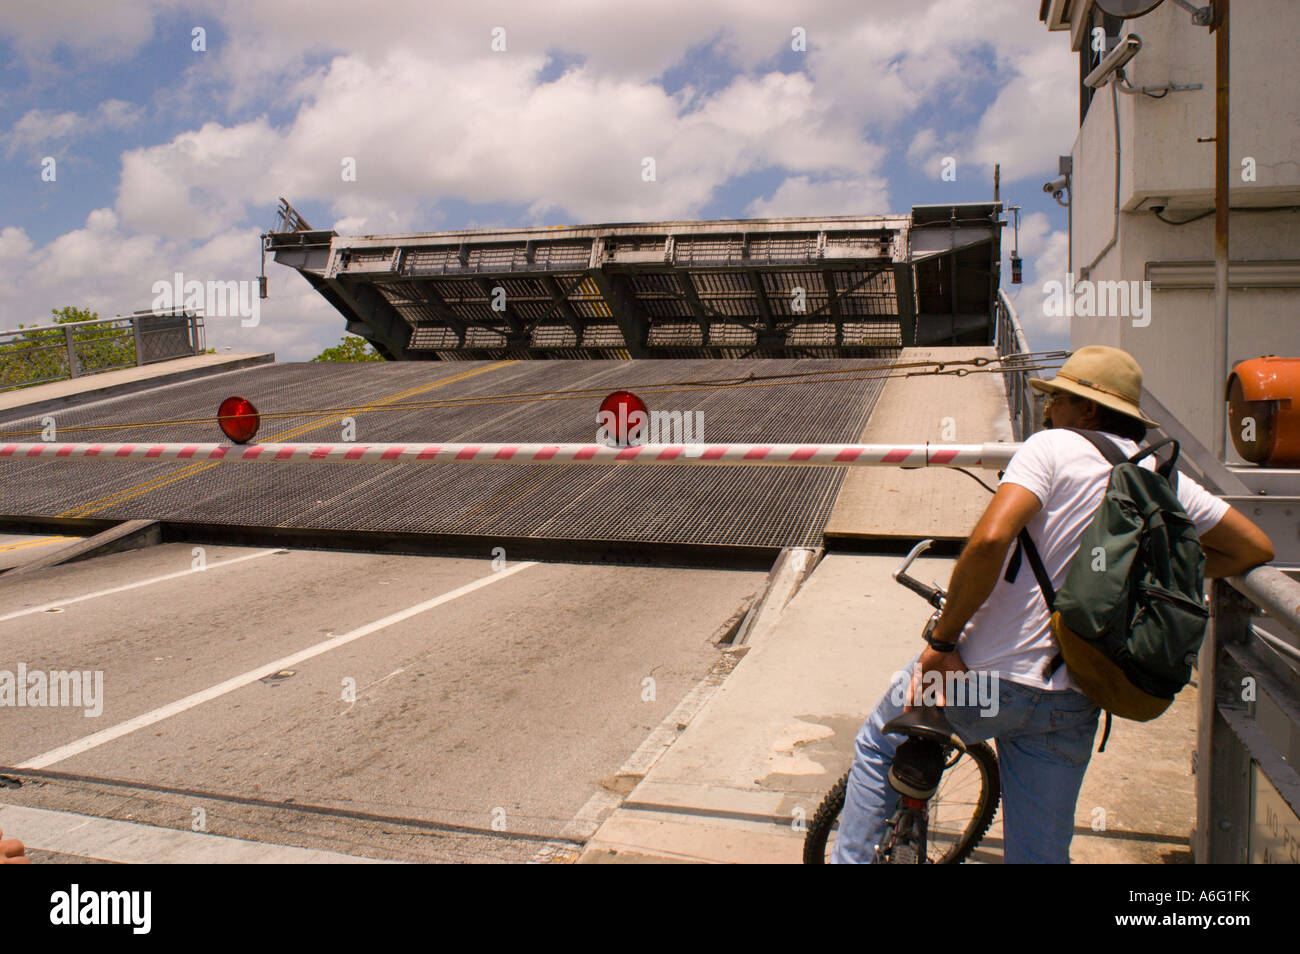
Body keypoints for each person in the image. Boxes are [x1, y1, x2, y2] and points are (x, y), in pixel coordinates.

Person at [832, 345, 1275, 863]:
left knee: (876, 747)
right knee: (1040, 854)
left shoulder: (1051, 448)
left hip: (979, 676)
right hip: (1073, 698)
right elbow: (1254, 549)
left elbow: (992, 541)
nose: (1047, 411)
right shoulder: (1160, 477)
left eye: (1059, 400)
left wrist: (942, 641)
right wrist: (1151, 576)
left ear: (1087, 409)